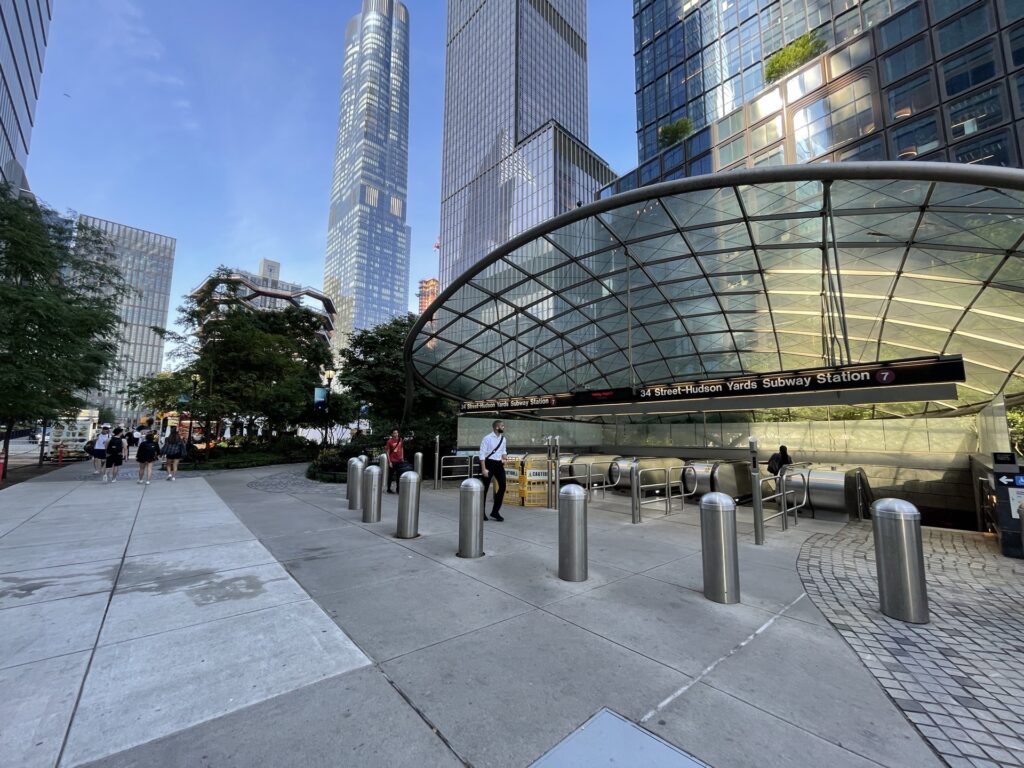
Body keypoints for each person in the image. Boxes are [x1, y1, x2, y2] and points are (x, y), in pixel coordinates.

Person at [479, 420, 508, 521]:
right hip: (488, 464)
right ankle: (481, 512)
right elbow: (482, 455)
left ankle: (495, 512)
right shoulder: (487, 438)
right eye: (502, 426)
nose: (503, 427)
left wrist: (505, 458)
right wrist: (483, 469)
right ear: (497, 427)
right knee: (485, 489)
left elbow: (503, 451)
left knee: (503, 486)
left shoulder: (503, 439)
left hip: (499, 464)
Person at [385, 428, 404, 494]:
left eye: (397, 433)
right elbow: (387, 452)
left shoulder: (400, 439)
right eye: (394, 433)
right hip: (393, 460)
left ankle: (398, 489)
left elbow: (402, 448)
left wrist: (402, 457)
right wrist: (389, 461)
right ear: (392, 434)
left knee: (399, 475)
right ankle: (389, 489)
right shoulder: (389, 441)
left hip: (399, 460)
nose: (396, 434)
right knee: (391, 475)